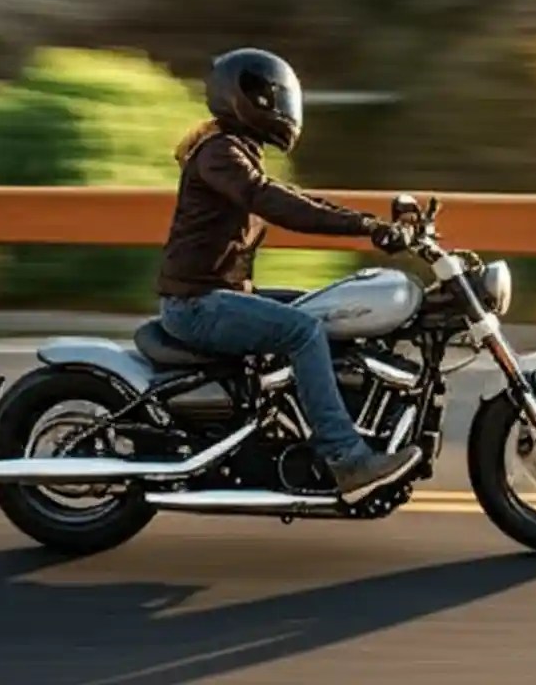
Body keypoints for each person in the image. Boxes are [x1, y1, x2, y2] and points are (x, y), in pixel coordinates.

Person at [155, 47, 423, 504]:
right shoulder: (219, 154)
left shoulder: (236, 151)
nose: (282, 110)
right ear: (246, 98)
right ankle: (348, 460)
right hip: (196, 304)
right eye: (272, 99)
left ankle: (301, 421)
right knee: (303, 331)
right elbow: (273, 201)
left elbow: (295, 198)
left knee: (329, 308)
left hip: (218, 295)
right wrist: (363, 227)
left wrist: (371, 224)